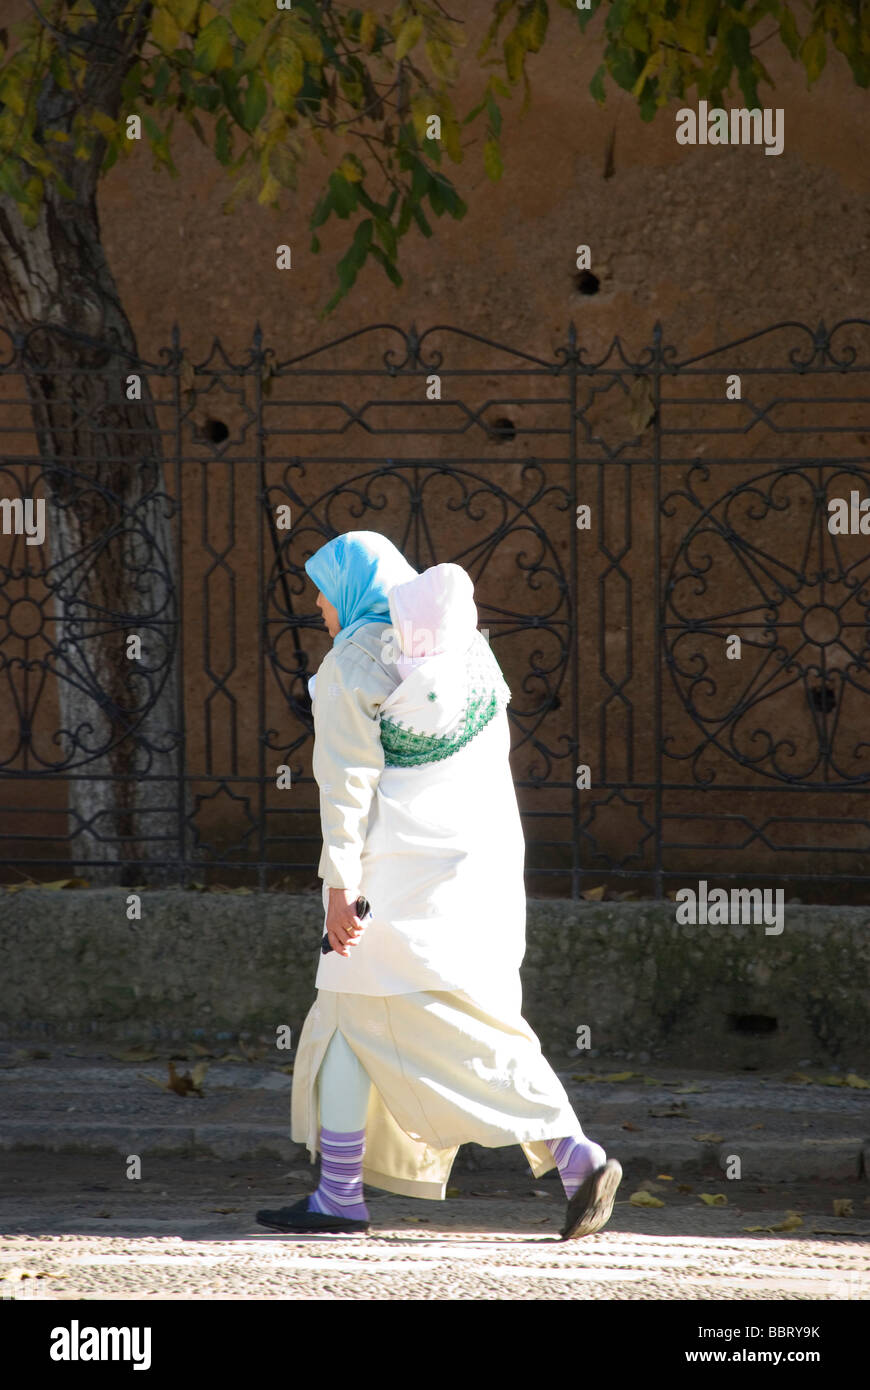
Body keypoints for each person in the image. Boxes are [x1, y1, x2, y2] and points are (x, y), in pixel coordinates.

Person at [256, 530, 621, 1240]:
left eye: (324, 596)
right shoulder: (465, 647)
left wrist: (339, 885)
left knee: (443, 1032)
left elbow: (347, 787)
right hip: (475, 871)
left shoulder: (350, 665)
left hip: (388, 885)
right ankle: (337, 1195)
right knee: (366, 1022)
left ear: (353, 590)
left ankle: (575, 1156)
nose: (321, 611)